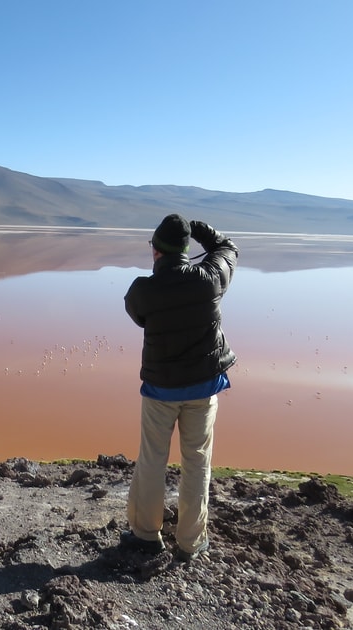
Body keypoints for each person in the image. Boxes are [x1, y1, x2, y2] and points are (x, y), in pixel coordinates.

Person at [121, 214, 238, 562]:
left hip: (160, 392)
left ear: (156, 252)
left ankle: (145, 536)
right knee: (198, 461)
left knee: (152, 460)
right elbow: (228, 249)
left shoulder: (144, 289)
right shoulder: (210, 279)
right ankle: (191, 541)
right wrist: (202, 232)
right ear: (186, 249)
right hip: (203, 390)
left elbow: (137, 313)